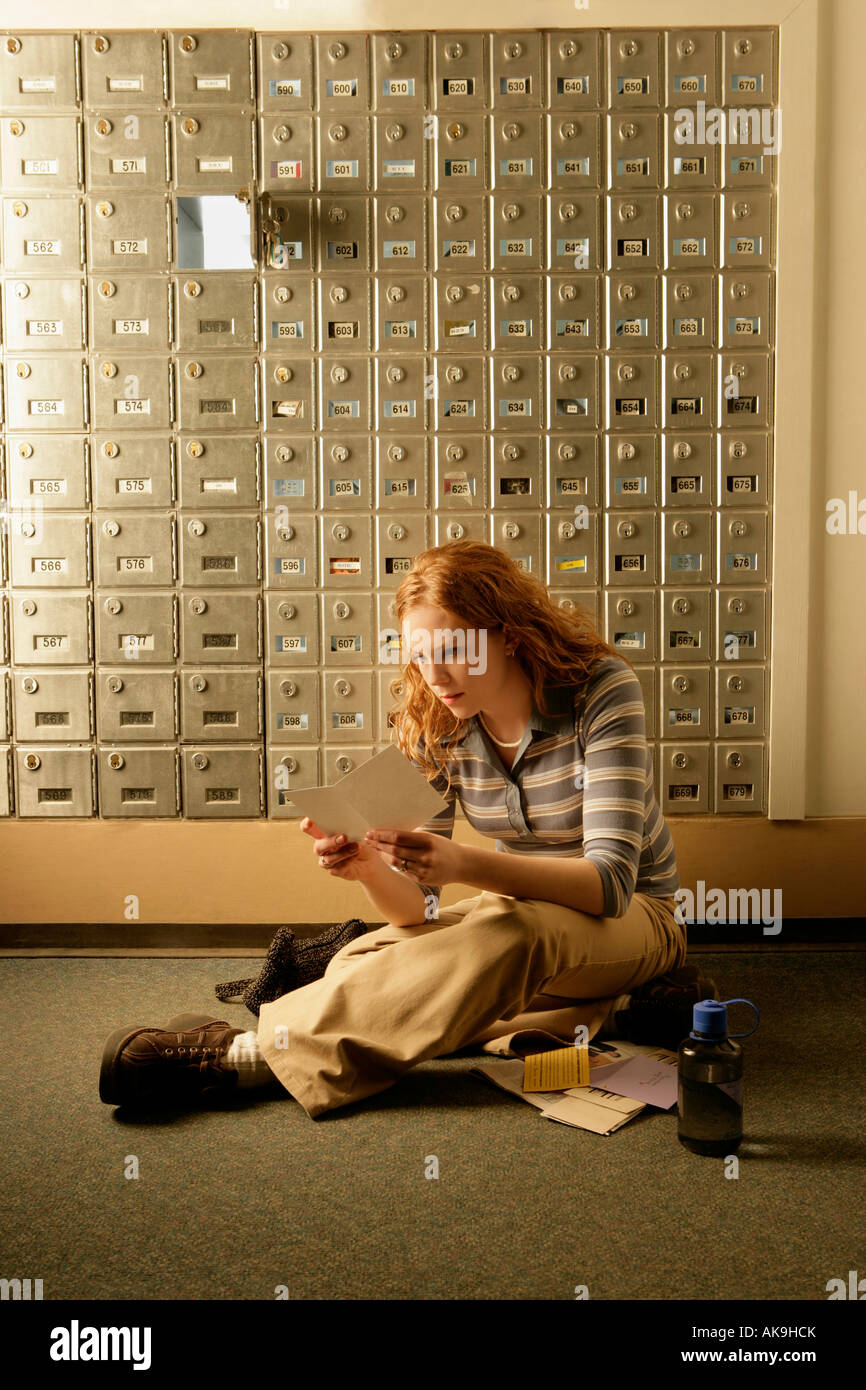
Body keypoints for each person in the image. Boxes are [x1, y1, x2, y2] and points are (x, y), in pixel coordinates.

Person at [99, 540, 715, 1118]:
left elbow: (609, 885)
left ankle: (252, 1056)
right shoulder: (437, 721)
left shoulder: (601, 690)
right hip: (519, 912)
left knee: (506, 937)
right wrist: (371, 869)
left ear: (507, 634)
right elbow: (417, 912)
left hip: (637, 916)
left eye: (450, 652)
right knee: (363, 955)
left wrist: (465, 864)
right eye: (419, 656)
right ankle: (603, 1012)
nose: (434, 676)